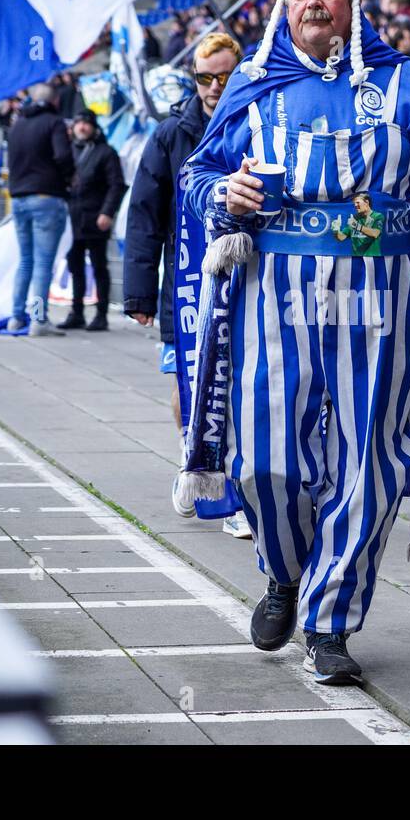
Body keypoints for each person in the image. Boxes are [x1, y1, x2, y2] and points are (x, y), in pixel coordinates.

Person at [182, 0, 410, 684]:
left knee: (371, 463)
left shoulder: (404, 82)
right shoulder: (254, 79)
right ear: (286, 3)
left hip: (382, 293)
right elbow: (196, 174)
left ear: (352, 3)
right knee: (266, 462)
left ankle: (330, 620)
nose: (315, 3)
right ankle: (285, 572)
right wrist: (224, 194)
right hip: (273, 291)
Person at [124, 31, 253, 540]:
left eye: (225, 75)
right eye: (205, 76)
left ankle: (235, 490)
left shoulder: (259, 122)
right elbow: (144, 214)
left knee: (240, 383)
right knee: (190, 379)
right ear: (193, 78)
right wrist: (137, 291)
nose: (215, 86)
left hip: (243, 277)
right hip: (184, 283)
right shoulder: (170, 133)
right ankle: (192, 454)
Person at [5, 82, 74, 336]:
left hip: (19, 198)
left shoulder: (17, 124)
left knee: (25, 261)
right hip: (46, 196)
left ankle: (15, 317)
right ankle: (38, 320)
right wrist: (70, 177)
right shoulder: (54, 122)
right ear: (55, 101)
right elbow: (63, 156)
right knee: (43, 263)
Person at [56, 110, 123, 332]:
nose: (82, 127)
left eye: (86, 123)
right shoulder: (67, 152)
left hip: (95, 218)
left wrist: (107, 212)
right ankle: (77, 312)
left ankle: (101, 314)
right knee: (74, 265)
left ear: (94, 127)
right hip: (72, 220)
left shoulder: (106, 152)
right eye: (79, 123)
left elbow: (116, 185)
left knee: (98, 266)